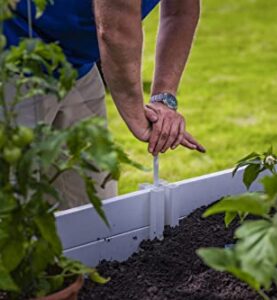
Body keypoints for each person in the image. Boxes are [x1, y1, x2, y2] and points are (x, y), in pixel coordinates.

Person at [3, 0, 205, 208]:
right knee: (13, 204)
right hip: (11, 65)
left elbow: (180, 11)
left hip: (76, 68)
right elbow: (116, 31)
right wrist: (137, 118)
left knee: (93, 202)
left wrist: (164, 98)